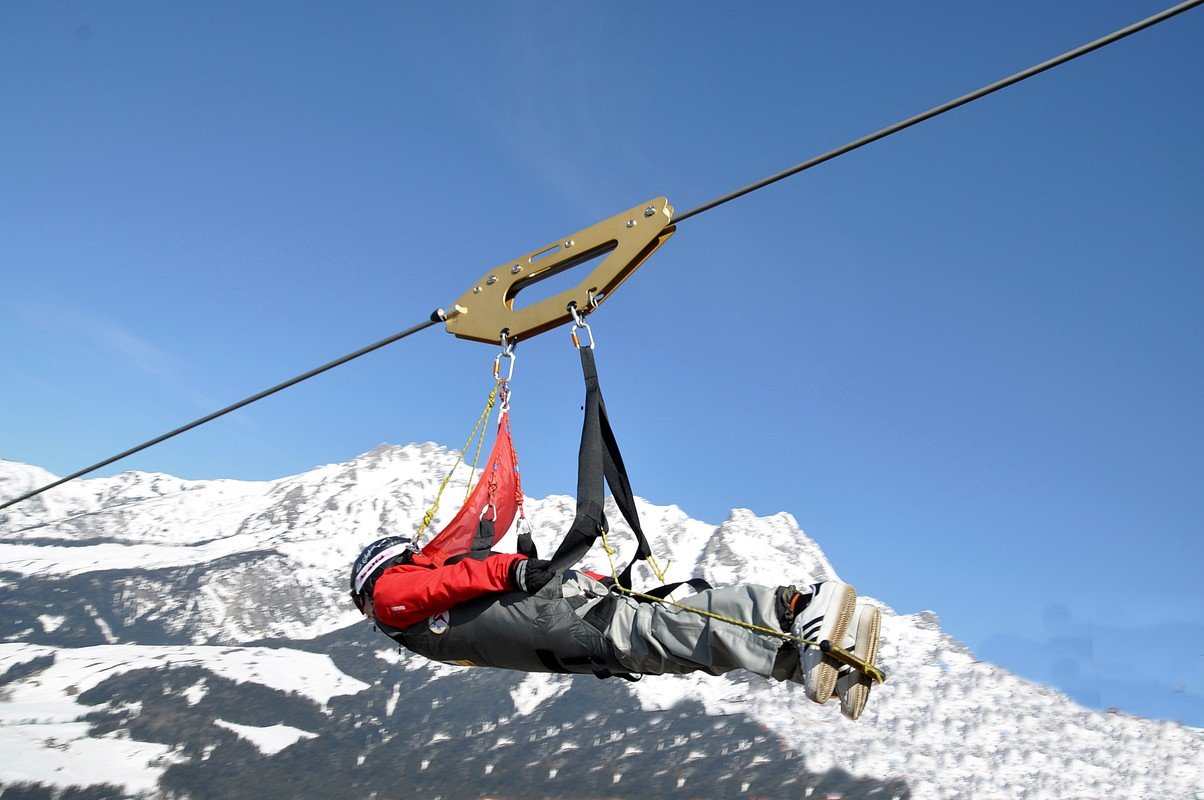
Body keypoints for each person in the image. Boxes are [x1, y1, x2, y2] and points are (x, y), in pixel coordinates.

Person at [350, 535, 883, 719]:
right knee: (680, 646)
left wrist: (507, 569)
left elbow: (451, 580)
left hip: (571, 621)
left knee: (674, 631)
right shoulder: (409, 616)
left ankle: (798, 607)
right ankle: (811, 656)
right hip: (577, 633)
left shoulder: (390, 597)